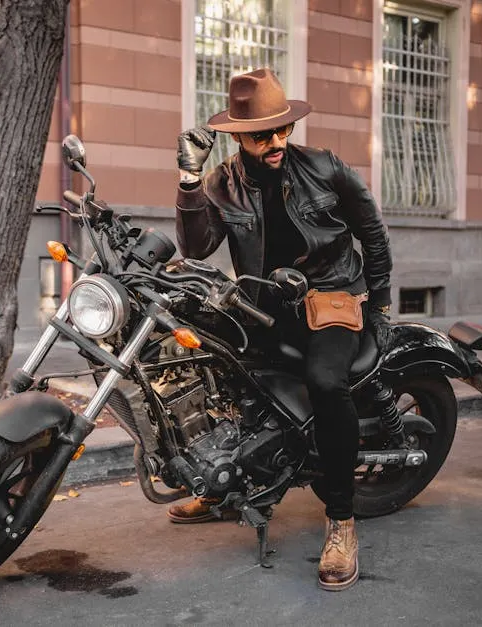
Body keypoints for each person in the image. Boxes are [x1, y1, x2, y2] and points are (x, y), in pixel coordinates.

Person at [168, 68, 393, 591]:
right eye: (260, 134)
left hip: (332, 298)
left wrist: (378, 307)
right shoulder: (222, 182)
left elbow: (373, 235)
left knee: (326, 382)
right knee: (210, 364)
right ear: (238, 137)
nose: (274, 142)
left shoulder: (324, 167)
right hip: (264, 304)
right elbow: (197, 247)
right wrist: (187, 180)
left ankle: (341, 519)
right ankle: (221, 479)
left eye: (281, 129)